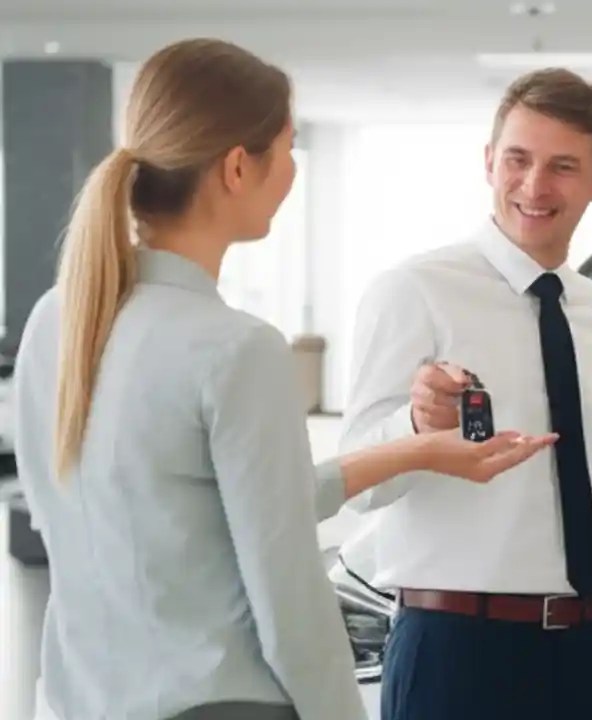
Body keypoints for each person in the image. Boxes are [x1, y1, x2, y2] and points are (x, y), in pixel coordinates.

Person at [13, 38, 555, 720]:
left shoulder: (57, 319)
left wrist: (418, 449)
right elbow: (289, 599)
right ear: (238, 167)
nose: (293, 169)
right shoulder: (238, 349)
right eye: (289, 146)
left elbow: (206, 509)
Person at [337, 67, 592, 720]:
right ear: (488, 163)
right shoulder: (414, 291)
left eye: (563, 166)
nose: (534, 186)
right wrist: (419, 425)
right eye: (518, 159)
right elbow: (356, 485)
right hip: (458, 656)